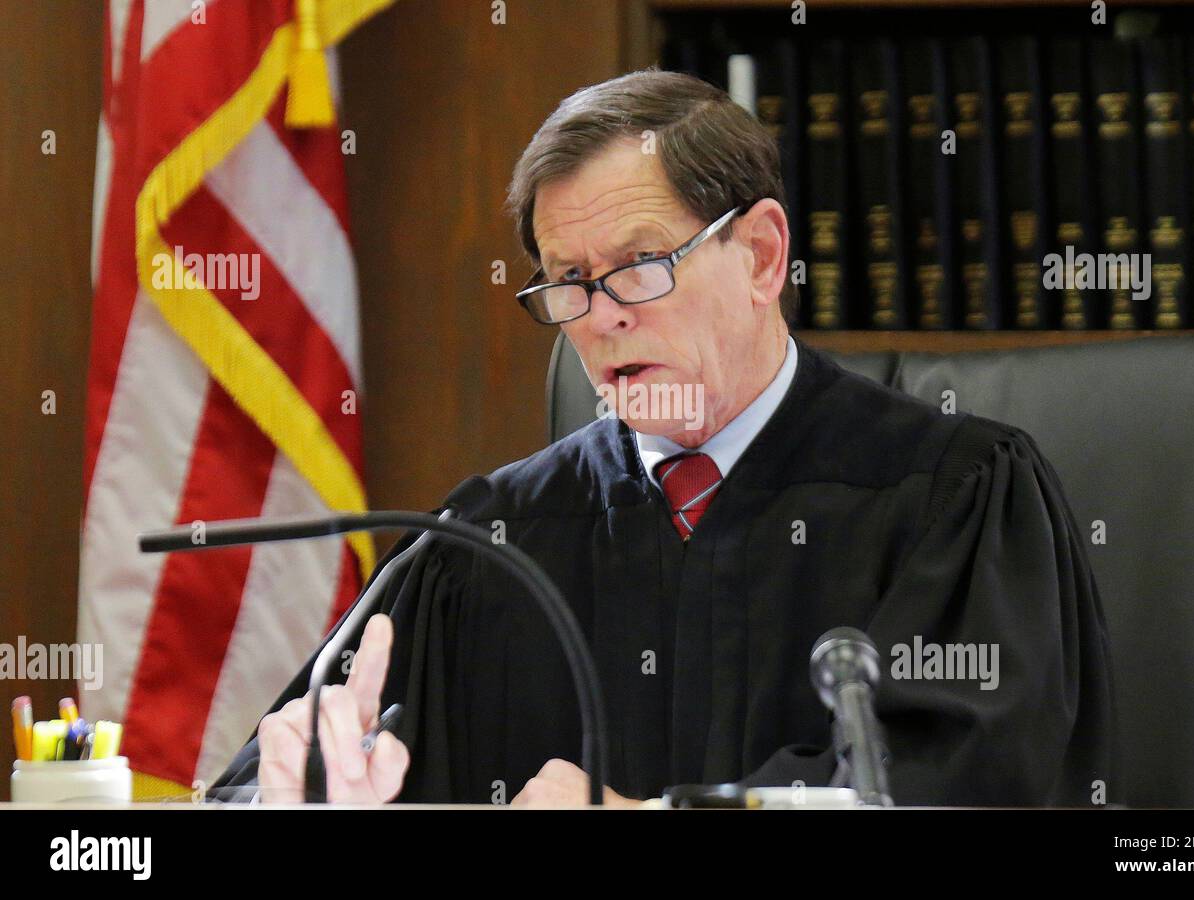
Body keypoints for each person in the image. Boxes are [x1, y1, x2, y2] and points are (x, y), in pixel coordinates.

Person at [212, 69, 1116, 807]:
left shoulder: (952, 499)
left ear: (762, 256)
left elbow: (960, 791)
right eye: (567, 281)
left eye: (640, 266)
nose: (600, 318)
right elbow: (260, 787)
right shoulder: (487, 543)